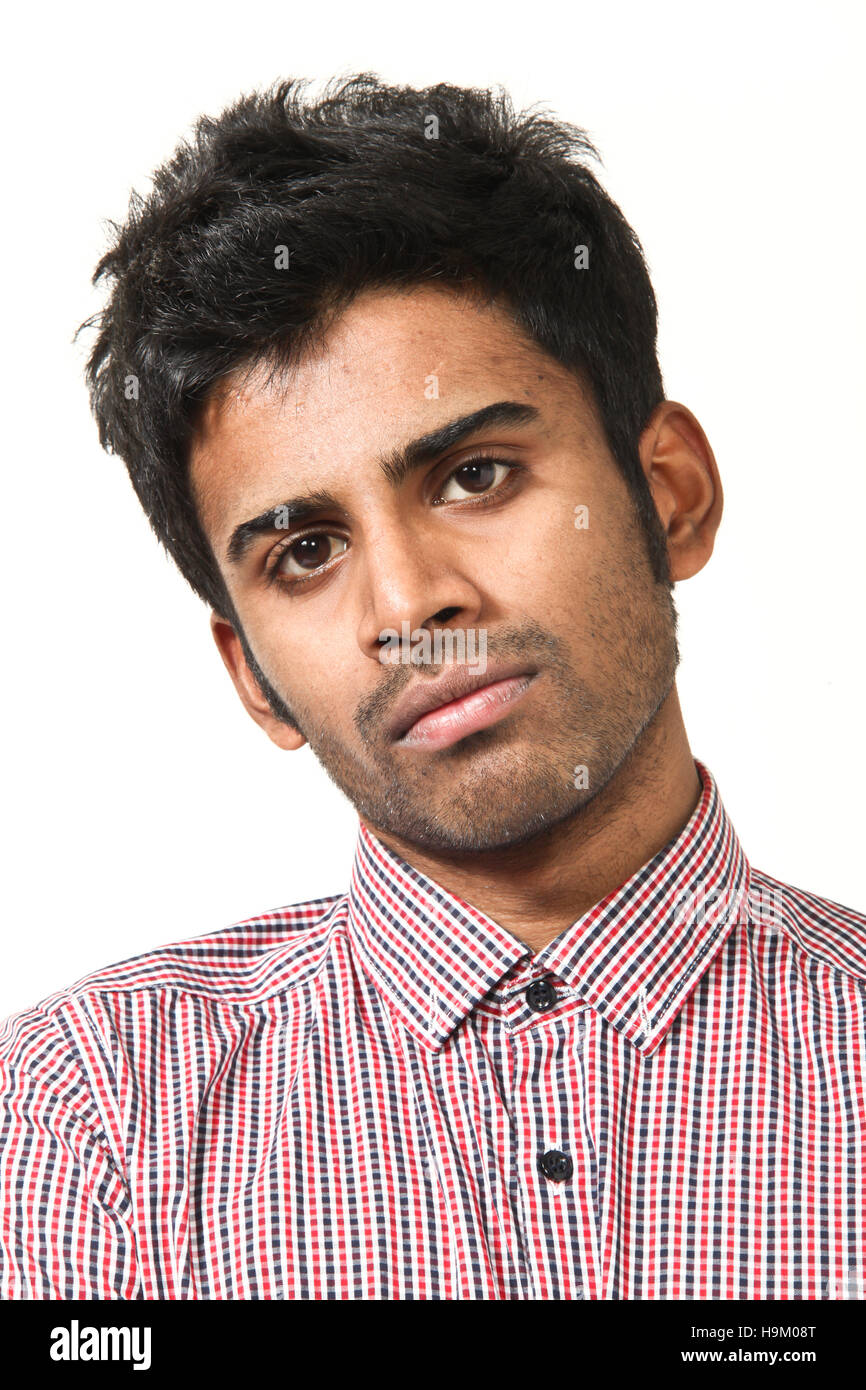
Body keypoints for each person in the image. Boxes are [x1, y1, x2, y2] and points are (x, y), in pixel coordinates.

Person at [1, 73, 863, 1301]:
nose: (410, 608)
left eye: (473, 476)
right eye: (305, 550)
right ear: (254, 675)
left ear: (668, 492)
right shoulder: (95, 1121)